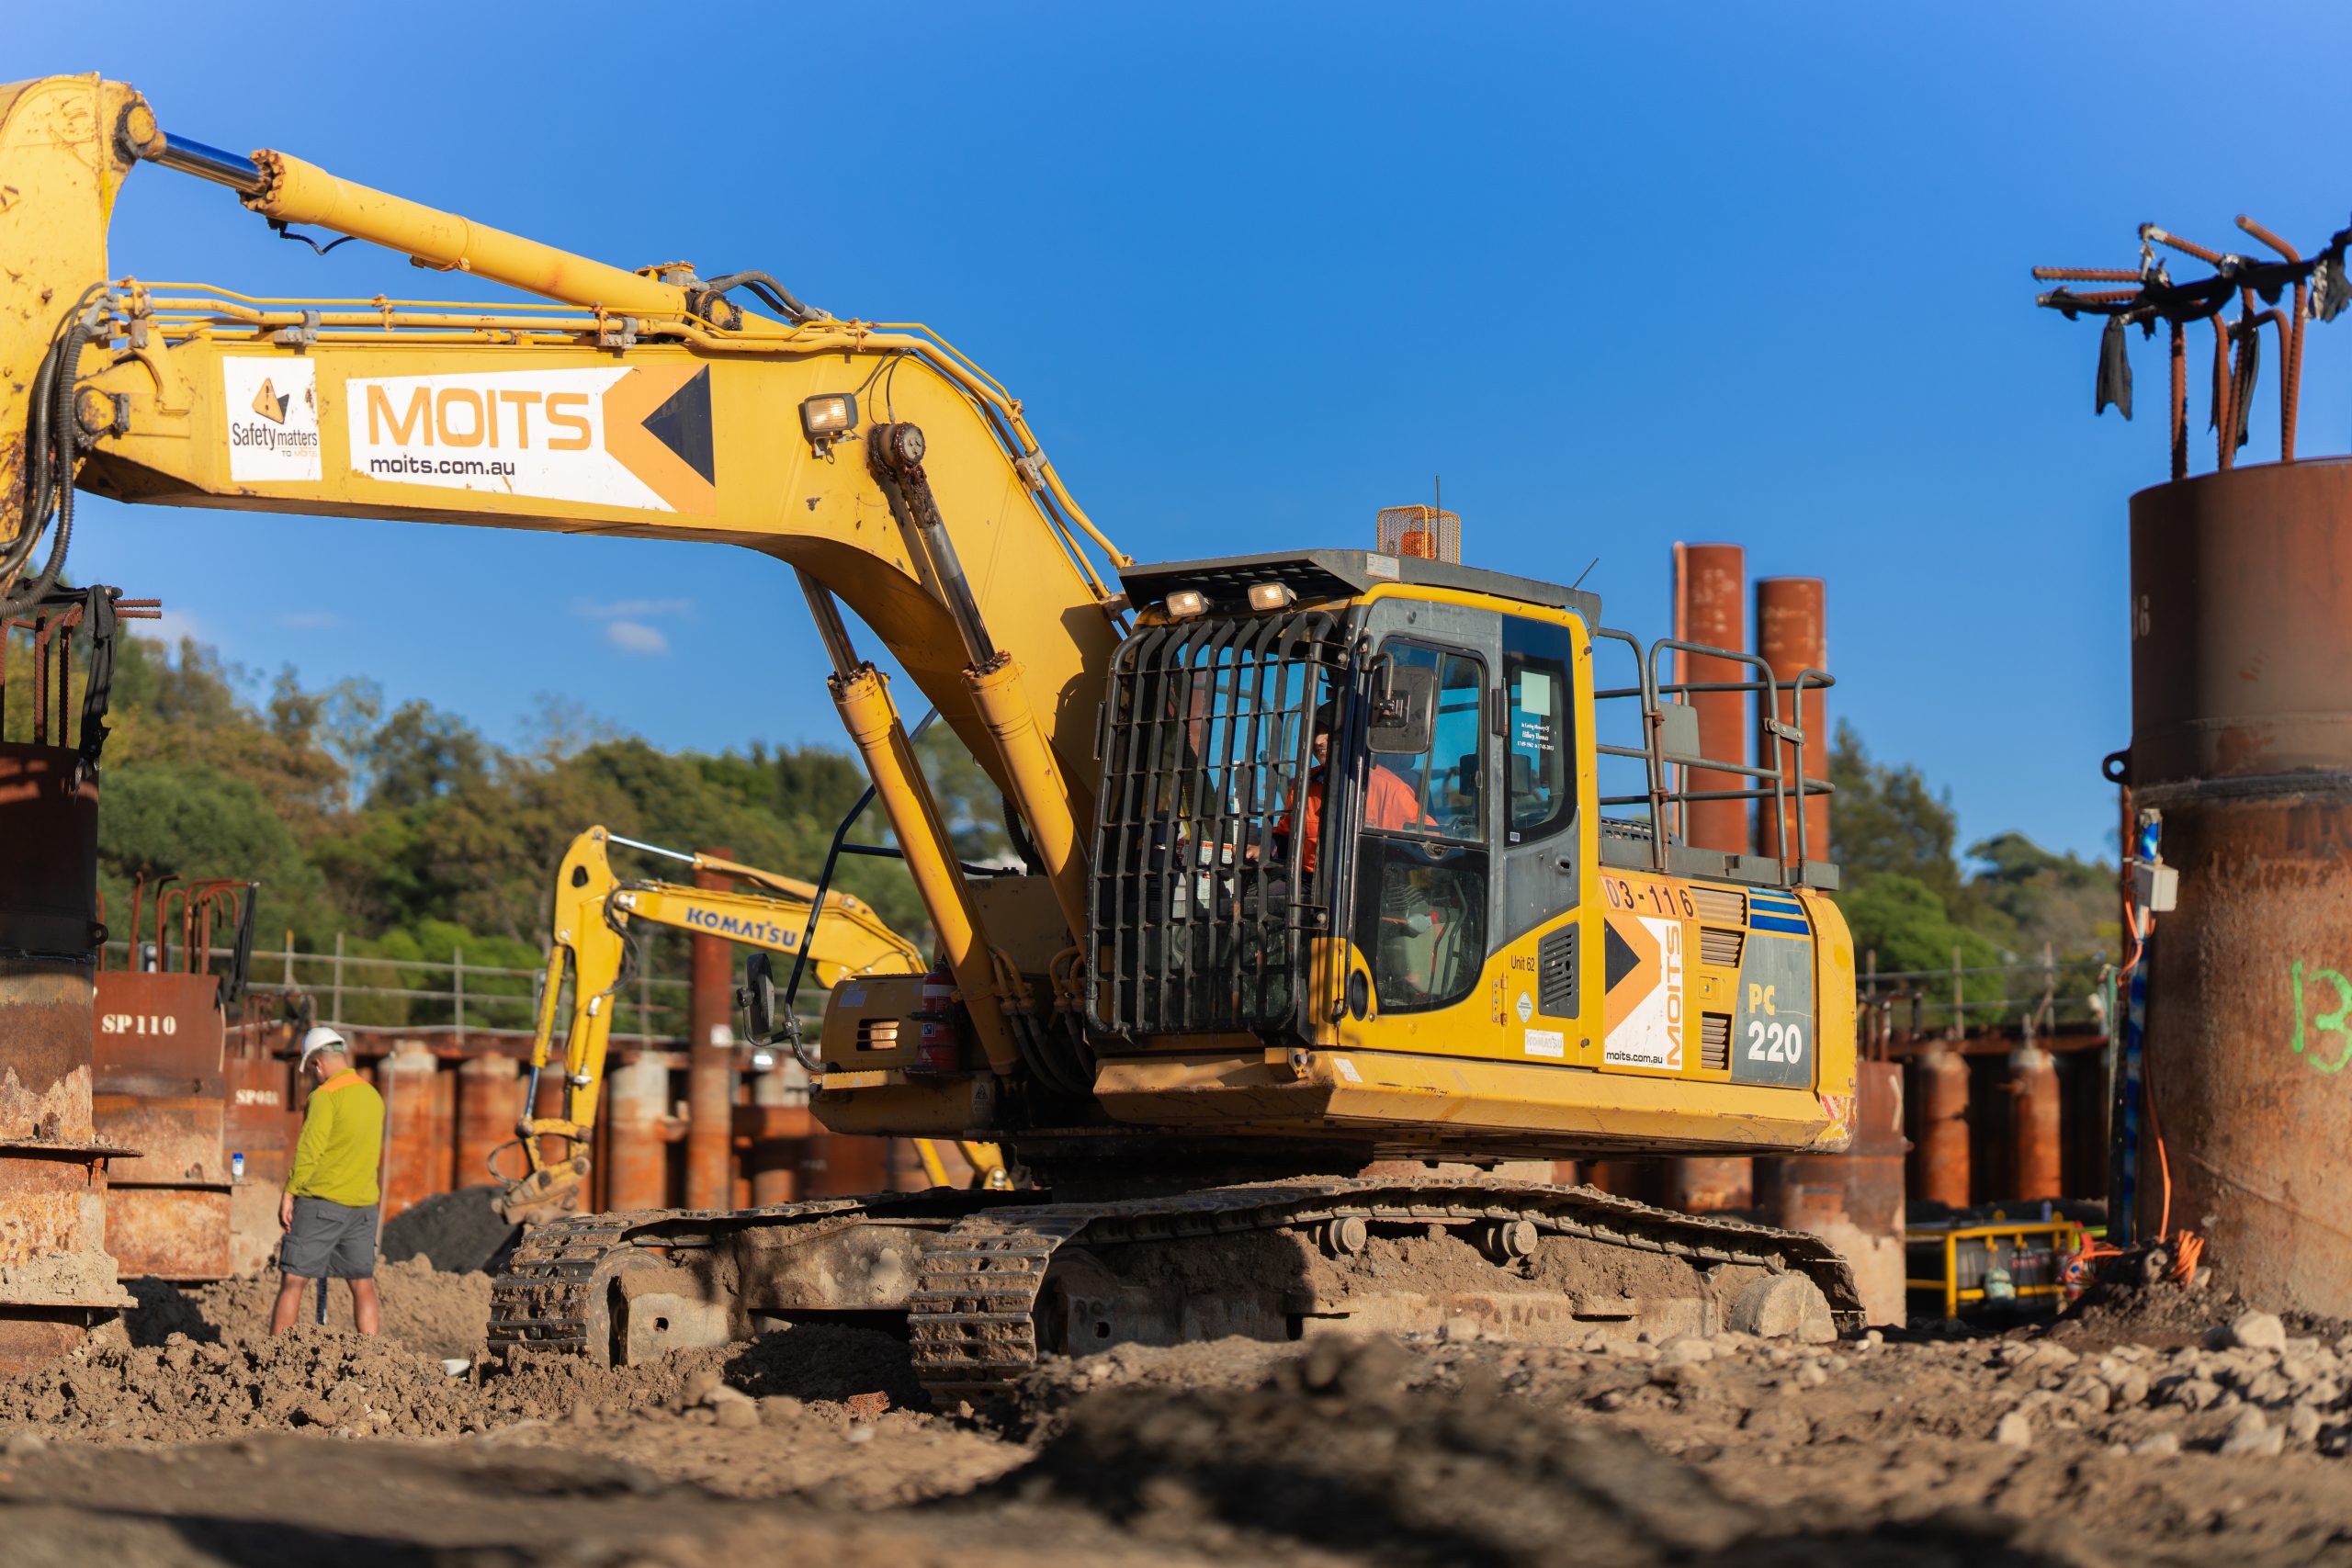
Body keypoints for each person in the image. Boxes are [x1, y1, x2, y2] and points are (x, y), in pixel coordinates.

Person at [271, 1026, 386, 1336]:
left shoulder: (325, 1097)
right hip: (363, 1208)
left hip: (321, 1204)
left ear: (317, 1065)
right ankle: (374, 1362)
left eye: (312, 1069)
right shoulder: (372, 1096)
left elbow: (309, 1151)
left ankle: (272, 1360)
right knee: (362, 1285)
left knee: (293, 1281)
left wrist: (289, 1192)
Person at [1268, 701, 1433, 872]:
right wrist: (1265, 851)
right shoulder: (1303, 784)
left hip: (1363, 885)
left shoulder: (1387, 788)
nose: (1318, 741)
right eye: (1315, 732)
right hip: (1310, 883)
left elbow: (1429, 840)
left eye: (1329, 732)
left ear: (1352, 737)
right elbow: (1286, 837)